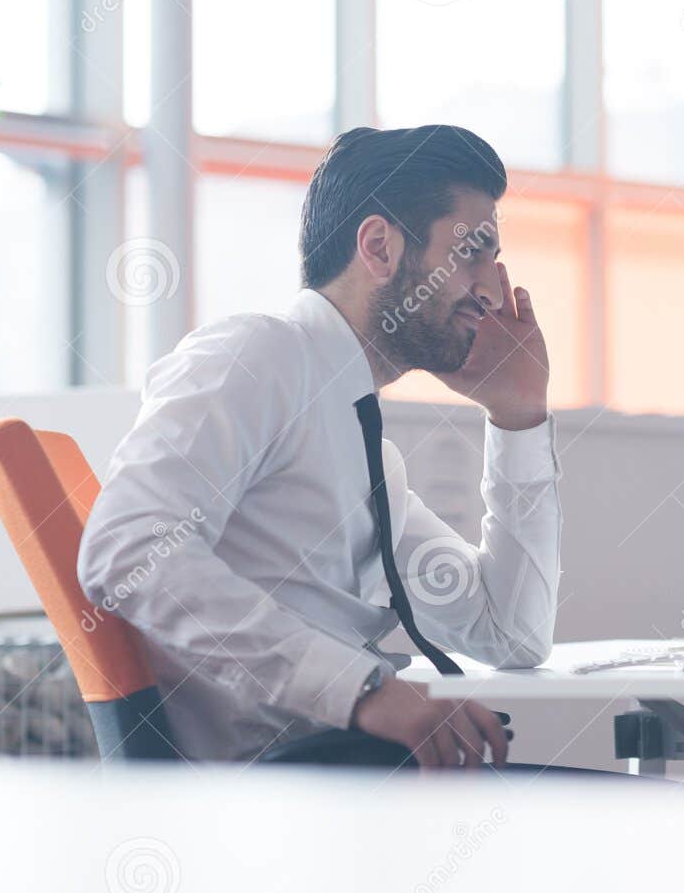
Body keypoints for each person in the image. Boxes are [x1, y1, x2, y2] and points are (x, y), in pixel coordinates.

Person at [79, 124, 560, 771]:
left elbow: (511, 635)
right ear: (380, 248)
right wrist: (363, 691)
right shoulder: (257, 357)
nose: (492, 291)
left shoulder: (361, 442)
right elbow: (126, 549)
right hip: (296, 790)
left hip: (344, 779)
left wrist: (519, 417)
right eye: (471, 251)